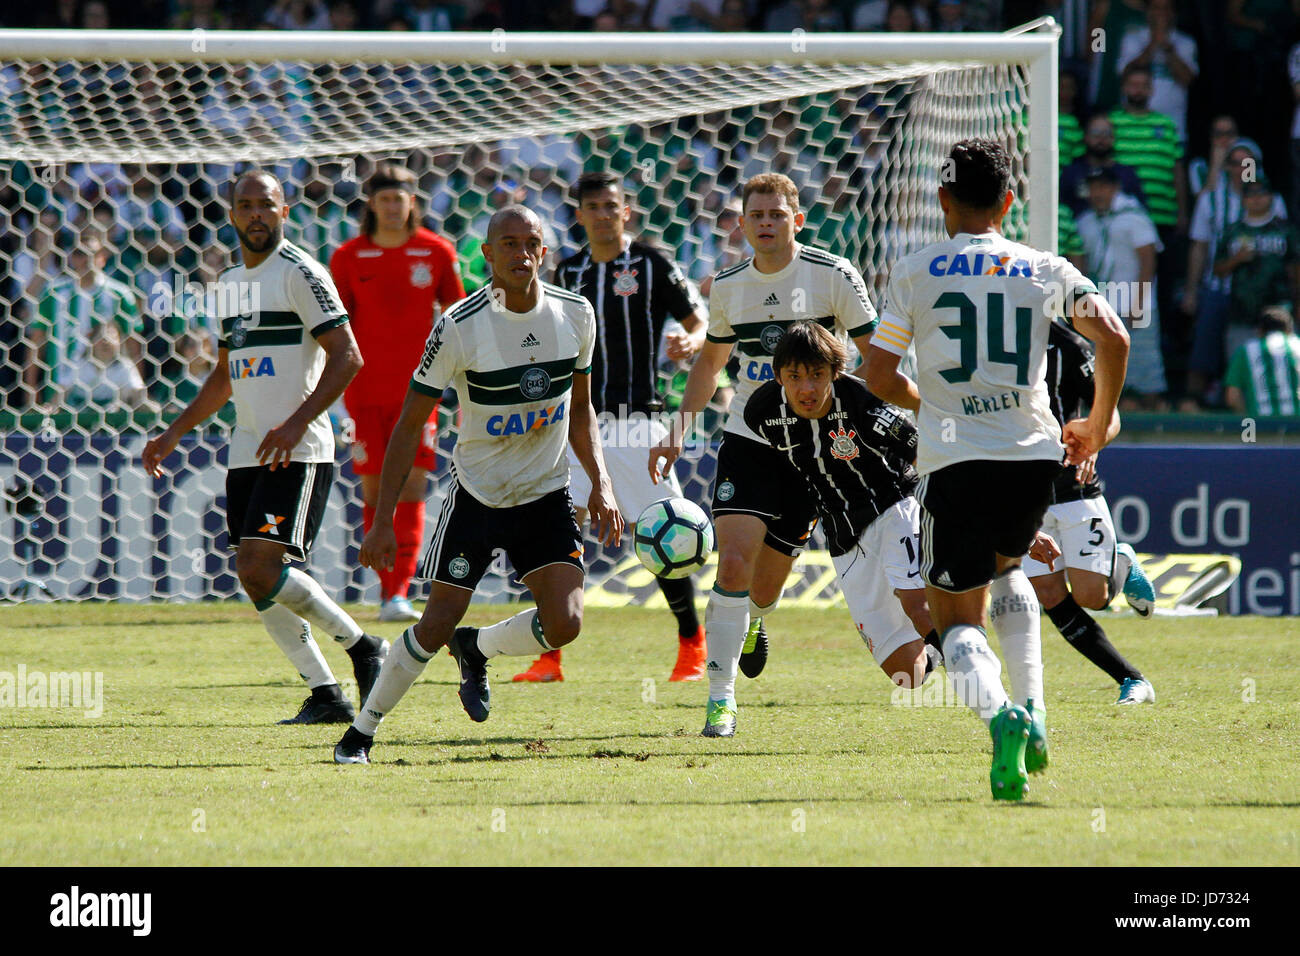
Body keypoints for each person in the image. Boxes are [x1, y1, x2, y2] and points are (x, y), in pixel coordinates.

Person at [864, 139, 1130, 800]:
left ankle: (1002, 717)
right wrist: (1096, 425)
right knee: (1010, 568)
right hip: (1032, 458)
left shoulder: (916, 270)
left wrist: (930, 405)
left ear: (943, 201)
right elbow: (1115, 338)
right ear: (1009, 201)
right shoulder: (1042, 266)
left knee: (956, 619)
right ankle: (1036, 708)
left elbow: (876, 375)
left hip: (956, 460)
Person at [332, 205, 623, 765]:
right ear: (486, 255)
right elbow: (410, 422)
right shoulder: (460, 326)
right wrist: (383, 519)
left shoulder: (576, 315)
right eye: (507, 244)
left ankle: (479, 646)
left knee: (566, 623)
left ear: (545, 251)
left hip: (546, 491)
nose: (520, 253)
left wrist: (601, 484)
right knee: (436, 623)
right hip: (479, 496)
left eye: (530, 242)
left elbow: (581, 410)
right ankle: (360, 733)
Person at [143, 170, 389, 725]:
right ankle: (325, 692)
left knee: (257, 567)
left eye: (266, 205)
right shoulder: (229, 281)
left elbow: (349, 356)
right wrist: (175, 431)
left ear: (285, 211)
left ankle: (363, 647)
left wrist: (298, 424)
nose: (256, 214)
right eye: (246, 205)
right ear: (231, 215)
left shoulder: (301, 272)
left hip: (296, 448)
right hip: (248, 445)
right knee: (253, 578)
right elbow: (226, 376)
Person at [648, 172, 879, 738]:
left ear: (797, 220)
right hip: (749, 439)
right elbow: (709, 363)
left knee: (765, 588)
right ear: (743, 224)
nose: (767, 224)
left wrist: (862, 422)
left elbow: (876, 355)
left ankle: (753, 620)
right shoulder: (728, 286)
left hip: (815, 447)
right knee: (731, 564)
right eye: (757, 216)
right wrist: (680, 425)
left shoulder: (832, 274)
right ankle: (721, 701)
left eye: (778, 215)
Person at [512, 171, 710, 684]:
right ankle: (549, 654)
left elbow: (700, 321)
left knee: (663, 536)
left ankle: (693, 645)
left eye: (612, 205)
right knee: (558, 531)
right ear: (579, 215)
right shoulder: (568, 272)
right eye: (593, 206)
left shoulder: (651, 263)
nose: (603, 213)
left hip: (637, 422)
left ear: (627, 212)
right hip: (576, 425)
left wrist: (692, 341)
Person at [744, 322, 941, 689]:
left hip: (895, 509)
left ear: (837, 372)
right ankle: (955, 640)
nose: (807, 387)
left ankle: (986, 694)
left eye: (818, 375)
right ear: (778, 377)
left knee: (919, 607)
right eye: (795, 376)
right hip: (843, 537)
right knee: (908, 675)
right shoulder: (761, 413)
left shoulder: (866, 407)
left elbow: (926, 455)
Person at [330, 163, 466, 623]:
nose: (392, 206)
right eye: (383, 199)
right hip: (364, 395)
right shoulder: (347, 257)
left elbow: (458, 317)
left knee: (411, 487)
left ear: (413, 203)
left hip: (418, 395)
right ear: (371, 204)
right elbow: (333, 329)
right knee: (375, 491)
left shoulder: (436, 251)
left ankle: (398, 594)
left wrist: (459, 384)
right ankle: (388, 589)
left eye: (399, 198)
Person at [1022, 320, 1156, 706]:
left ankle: (1121, 563)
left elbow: (1109, 411)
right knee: (1047, 592)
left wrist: (1095, 439)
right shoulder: (985, 340)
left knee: (1092, 597)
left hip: (1073, 485)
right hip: (1025, 492)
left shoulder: (1069, 346)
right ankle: (1131, 680)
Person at [1075, 165, 1166, 409]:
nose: (1097, 193)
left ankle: (1152, 428)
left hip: (1135, 304)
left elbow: (1148, 260)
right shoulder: (1085, 221)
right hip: (1102, 306)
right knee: (1103, 372)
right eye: (1093, 187)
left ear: (1116, 188)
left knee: (1145, 370)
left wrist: (1139, 302)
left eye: (1103, 186)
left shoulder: (1134, 217)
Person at [1212, 176, 1300, 373]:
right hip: (1241, 312)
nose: (1257, 199)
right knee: (1241, 369)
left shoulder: (1285, 230)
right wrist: (1236, 259)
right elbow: (1217, 271)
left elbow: (1296, 269)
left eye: (1262, 193)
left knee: (1284, 369)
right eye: (1251, 194)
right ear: (1243, 199)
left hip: (1280, 311)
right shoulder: (1232, 231)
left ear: (1271, 197)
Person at [1224, 306, 1300, 417]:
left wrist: (1248, 420)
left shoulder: (1245, 351)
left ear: (1260, 331)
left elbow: (1232, 397)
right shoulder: (1297, 346)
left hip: (1259, 427)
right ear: (1289, 330)